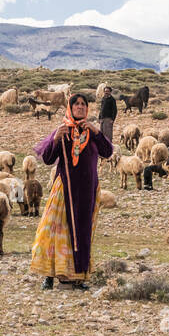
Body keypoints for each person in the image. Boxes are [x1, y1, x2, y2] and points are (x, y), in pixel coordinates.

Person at [30, 93, 113, 290]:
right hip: (65, 188)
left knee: (81, 232)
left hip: (87, 190)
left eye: (84, 104)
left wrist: (96, 132)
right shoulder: (62, 130)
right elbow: (49, 158)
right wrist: (55, 140)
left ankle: (77, 277)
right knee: (54, 229)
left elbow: (107, 152)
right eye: (76, 104)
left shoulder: (91, 132)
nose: (80, 107)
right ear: (70, 107)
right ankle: (49, 275)